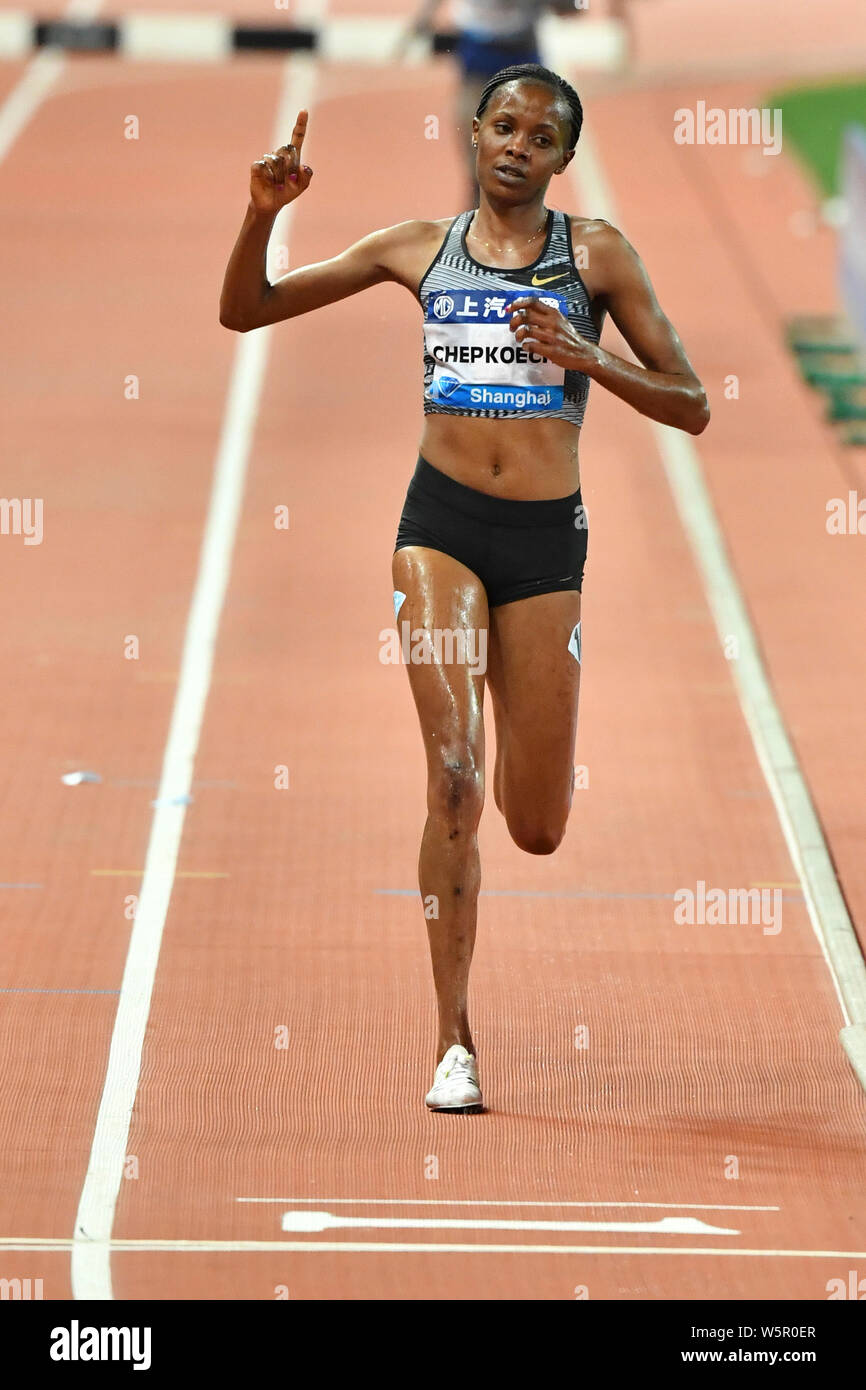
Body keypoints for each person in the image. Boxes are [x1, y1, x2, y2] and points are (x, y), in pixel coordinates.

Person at [219, 63, 709, 1113]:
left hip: (542, 549)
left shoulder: (597, 256)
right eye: (502, 125)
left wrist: (590, 356)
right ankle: (453, 1043)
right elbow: (246, 309)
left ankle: (482, 935)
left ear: (562, 159)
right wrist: (259, 216)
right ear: (473, 132)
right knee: (451, 773)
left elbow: (691, 402)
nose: (516, 146)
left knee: (533, 824)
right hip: (437, 531)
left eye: (540, 136)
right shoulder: (416, 249)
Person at [402, 0, 586, 205]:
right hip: (477, 57)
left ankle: (524, 220)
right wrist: (421, 21)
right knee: (480, 166)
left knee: (527, 163)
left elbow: (571, 10)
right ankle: (473, 224)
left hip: (522, 56)